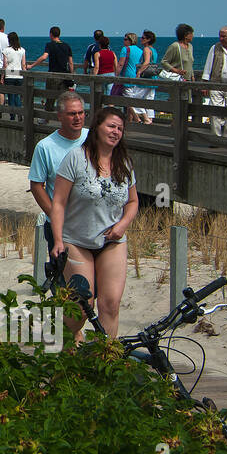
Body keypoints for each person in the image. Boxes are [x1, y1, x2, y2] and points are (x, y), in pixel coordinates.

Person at [49, 106, 138, 340]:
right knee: (82, 306)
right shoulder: (76, 158)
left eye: (120, 128)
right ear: (97, 127)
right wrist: (57, 240)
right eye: (111, 126)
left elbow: (132, 201)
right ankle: (63, 345)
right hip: (77, 240)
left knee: (110, 304)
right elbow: (58, 202)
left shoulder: (124, 163)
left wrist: (123, 225)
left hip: (112, 242)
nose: (115, 132)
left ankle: (107, 357)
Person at [28, 91, 89, 257]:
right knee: (65, 279)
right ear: (60, 116)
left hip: (91, 224)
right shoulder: (45, 147)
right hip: (61, 227)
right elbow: (36, 185)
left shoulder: (93, 138)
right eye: (71, 114)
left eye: (81, 112)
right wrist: (55, 215)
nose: (77, 118)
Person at [31, 26, 75, 112]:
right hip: (65, 76)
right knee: (63, 100)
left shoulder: (50, 45)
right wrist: (71, 75)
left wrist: (32, 65)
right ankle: (63, 120)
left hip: (53, 76)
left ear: (51, 34)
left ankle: (47, 119)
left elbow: (44, 57)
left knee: (50, 99)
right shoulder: (66, 46)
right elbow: (71, 62)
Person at [117, 32, 144, 120]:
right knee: (132, 99)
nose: (124, 41)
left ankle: (137, 119)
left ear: (130, 40)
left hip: (127, 76)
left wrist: (116, 75)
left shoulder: (125, 49)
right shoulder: (140, 50)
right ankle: (129, 121)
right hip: (136, 76)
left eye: (125, 39)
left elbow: (121, 64)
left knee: (128, 100)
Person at [2, 31, 26, 118]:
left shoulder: (6, 50)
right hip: (19, 75)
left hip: (9, 74)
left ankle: (12, 116)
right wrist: (25, 75)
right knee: (17, 96)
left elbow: (5, 65)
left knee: (10, 96)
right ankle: (19, 114)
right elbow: (23, 64)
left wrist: (2, 76)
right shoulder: (22, 50)